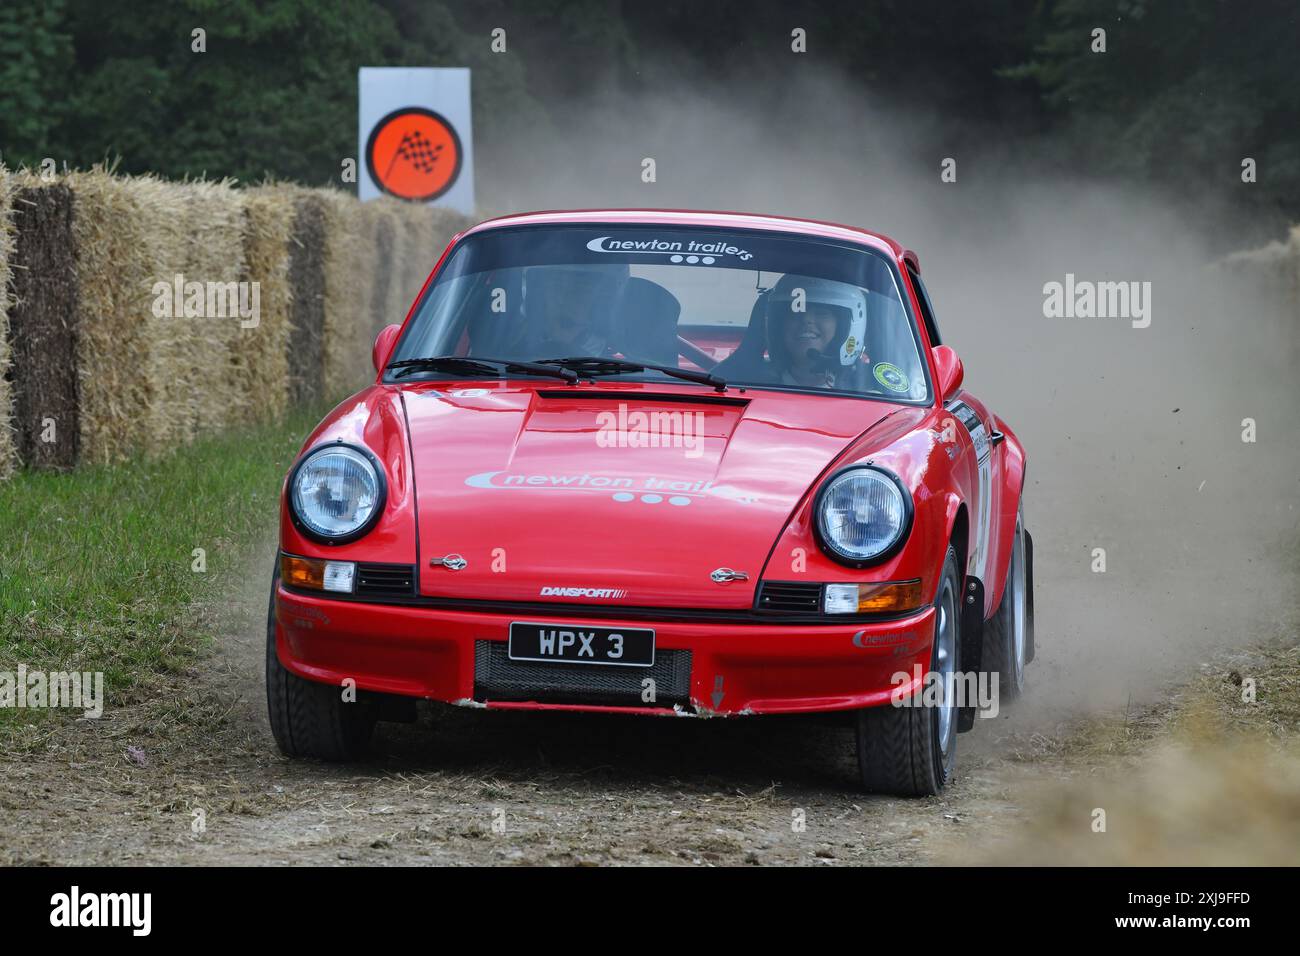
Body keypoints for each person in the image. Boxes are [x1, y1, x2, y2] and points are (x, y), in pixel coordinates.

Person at [763, 274, 870, 389]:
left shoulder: (868, 392)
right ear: (779, 325)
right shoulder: (755, 383)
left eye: (821, 313)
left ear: (843, 327)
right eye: (796, 311)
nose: (806, 320)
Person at [525, 263, 628, 358]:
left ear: (597, 300)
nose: (562, 299)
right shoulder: (514, 346)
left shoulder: (618, 360)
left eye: (576, 291)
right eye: (557, 287)